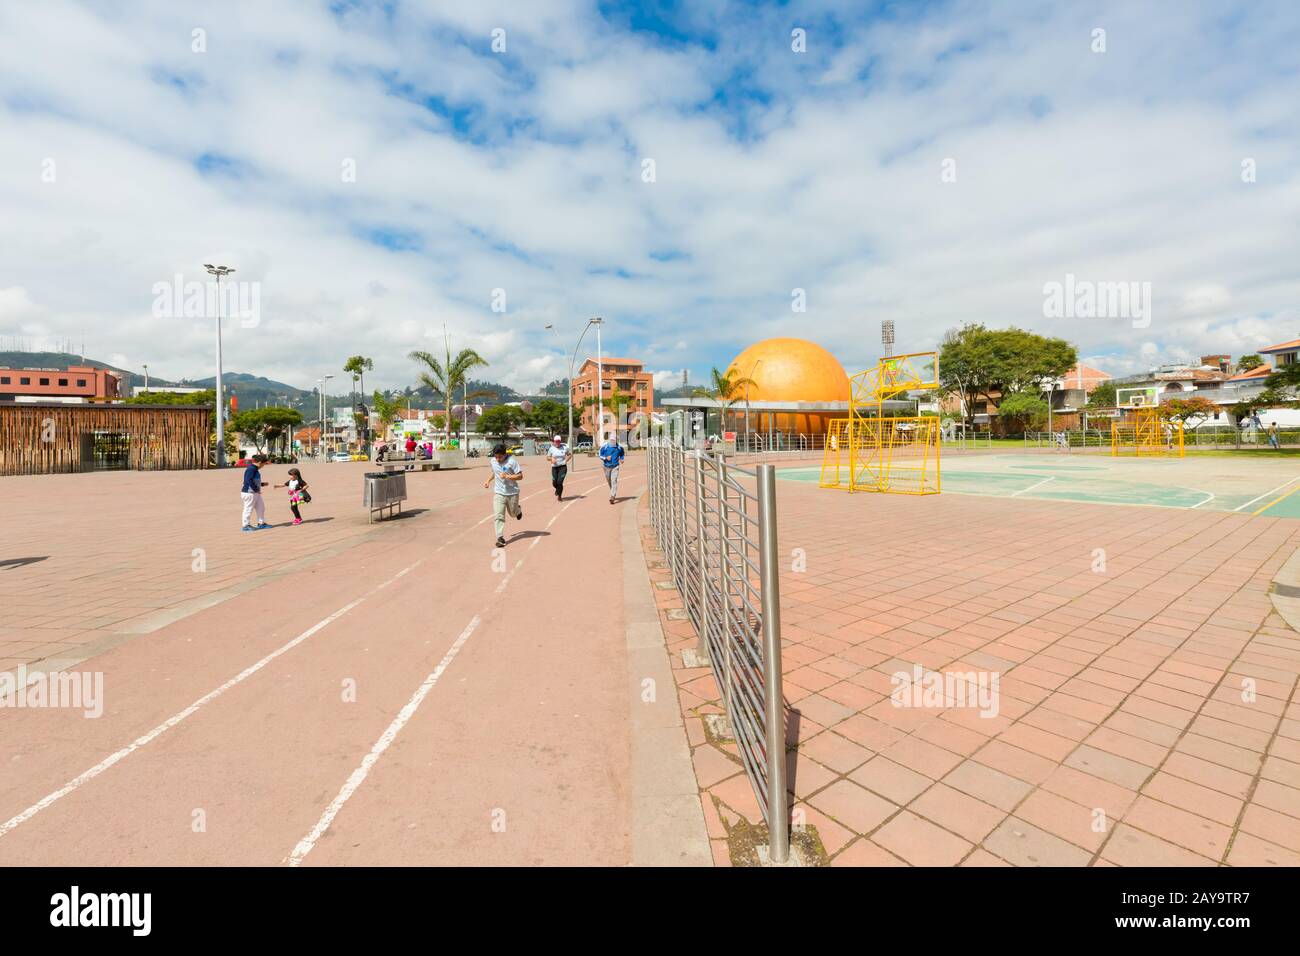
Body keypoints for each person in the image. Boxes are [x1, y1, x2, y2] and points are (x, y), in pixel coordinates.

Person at [484, 442, 523, 548]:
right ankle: (500, 538)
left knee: (513, 514)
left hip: (512, 492)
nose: (497, 459)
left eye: (500, 457)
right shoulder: (493, 461)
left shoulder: (512, 462)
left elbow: (520, 476)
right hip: (499, 492)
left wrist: (507, 476)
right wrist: (488, 481)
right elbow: (495, 472)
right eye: (495, 456)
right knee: (498, 515)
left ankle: (518, 510)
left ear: (505, 454)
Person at [240, 454, 271, 531]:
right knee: (248, 509)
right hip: (249, 493)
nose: (264, 466)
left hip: (254, 492)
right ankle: (245, 525)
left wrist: (262, 484)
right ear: (260, 462)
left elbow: (253, 481)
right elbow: (248, 480)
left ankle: (261, 523)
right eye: (264, 464)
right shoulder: (251, 469)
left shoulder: (255, 469)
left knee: (261, 507)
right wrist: (256, 489)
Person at [599, 435, 624, 504]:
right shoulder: (605, 446)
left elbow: (622, 454)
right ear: (609, 440)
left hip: (615, 466)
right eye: (611, 440)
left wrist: (622, 459)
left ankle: (612, 496)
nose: (612, 441)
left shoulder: (619, 447)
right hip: (606, 466)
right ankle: (612, 490)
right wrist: (606, 458)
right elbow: (600, 455)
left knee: (614, 480)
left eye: (614, 440)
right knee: (609, 480)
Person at [546, 434, 571, 500]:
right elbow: (547, 457)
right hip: (554, 468)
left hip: (562, 467)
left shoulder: (565, 447)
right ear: (554, 441)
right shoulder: (551, 448)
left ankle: (559, 496)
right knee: (554, 483)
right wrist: (551, 459)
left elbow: (569, 455)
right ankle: (557, 489)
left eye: (558, 441)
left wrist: (566, 460)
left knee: (559, 482)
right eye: (556, 441)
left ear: (560, 441)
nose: (557, 443)